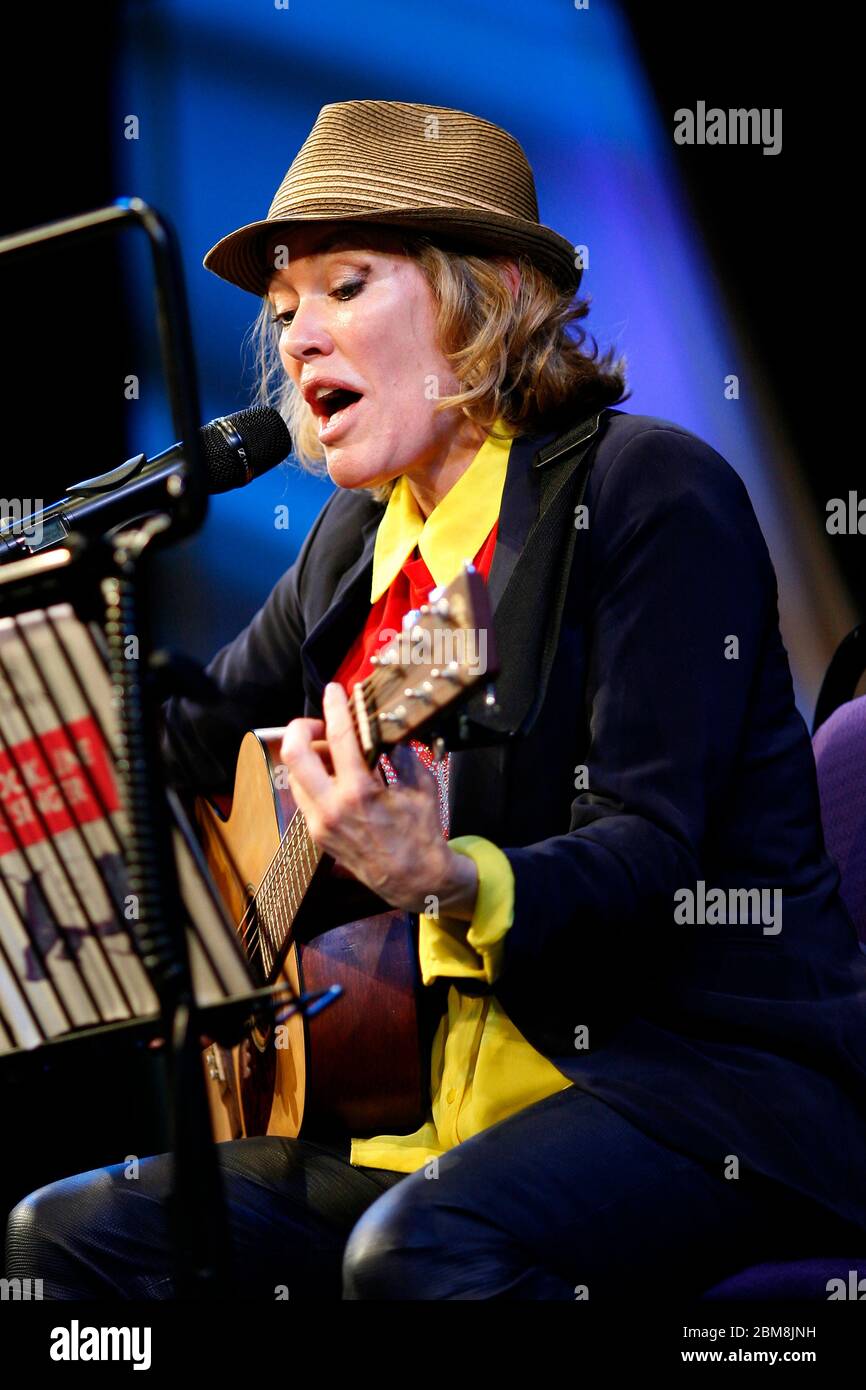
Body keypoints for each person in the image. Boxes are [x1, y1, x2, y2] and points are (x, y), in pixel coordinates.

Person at [6, 99, 866, 1301]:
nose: (298, 335)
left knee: (416, 1252)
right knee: (57, 1243)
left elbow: (656, 850)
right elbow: (188, 738)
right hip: (415, 1128)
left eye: (345, 286)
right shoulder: (354, 543)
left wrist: (446, 875)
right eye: (285, 304)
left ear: (486, 298)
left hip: (691, 1096)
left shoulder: (643, 492)